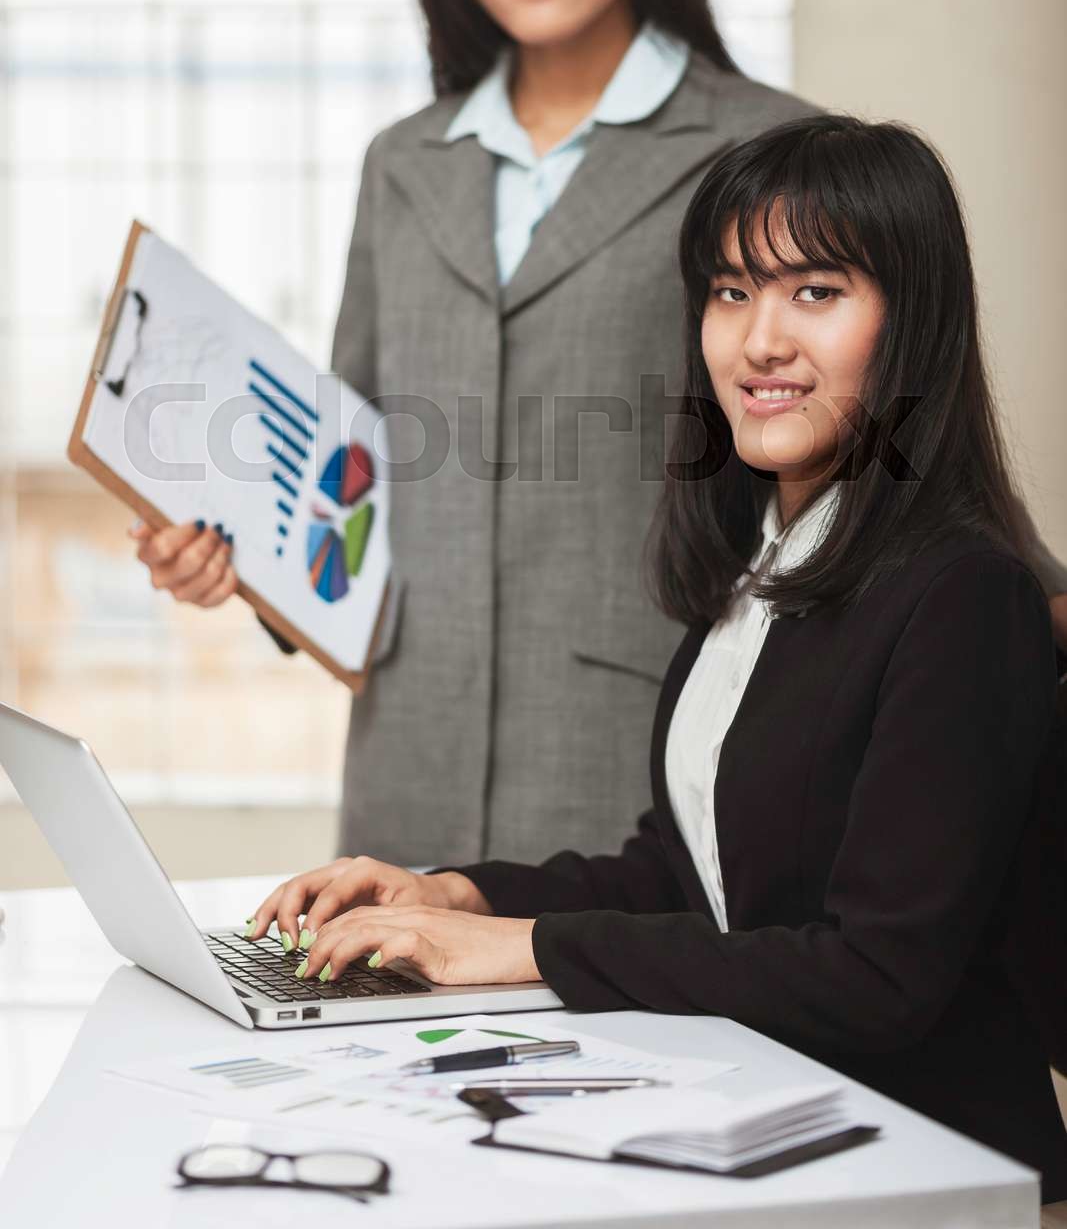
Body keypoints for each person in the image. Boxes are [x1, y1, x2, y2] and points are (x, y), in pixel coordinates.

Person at [128, 0, 1067, 869]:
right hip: (406, 768)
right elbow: (356, 465)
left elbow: (891, 460)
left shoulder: (762, 146)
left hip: (646, 771)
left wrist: (1020, 600)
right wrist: (248, 565)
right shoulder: (403, 163)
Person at [247, 116, 1067, 1201]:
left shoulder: (961, 592)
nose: (756, 342)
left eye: (813, 292)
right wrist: (451, 894)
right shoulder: (760, 562)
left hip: (919, 1165)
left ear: (909, 322)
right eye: (729, 292)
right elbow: (685, 868)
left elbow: (878, 976)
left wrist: (530, 947)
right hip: (755, 1116)